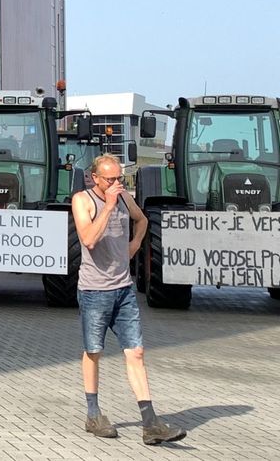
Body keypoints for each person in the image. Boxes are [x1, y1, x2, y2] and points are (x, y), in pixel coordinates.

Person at [72, 154, 186, 445]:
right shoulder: (83, 200)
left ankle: (150, 423)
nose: (116, 184)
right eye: (110, 179)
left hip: (123, 289)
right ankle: (93, 414)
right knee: (93, 351)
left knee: (135, 352)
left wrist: (134, 244)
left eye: (119, 178)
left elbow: (143, 219)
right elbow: (88, 239)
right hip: (94, 291)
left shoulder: (123, 197)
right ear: (94, 178)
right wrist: (108, 206)